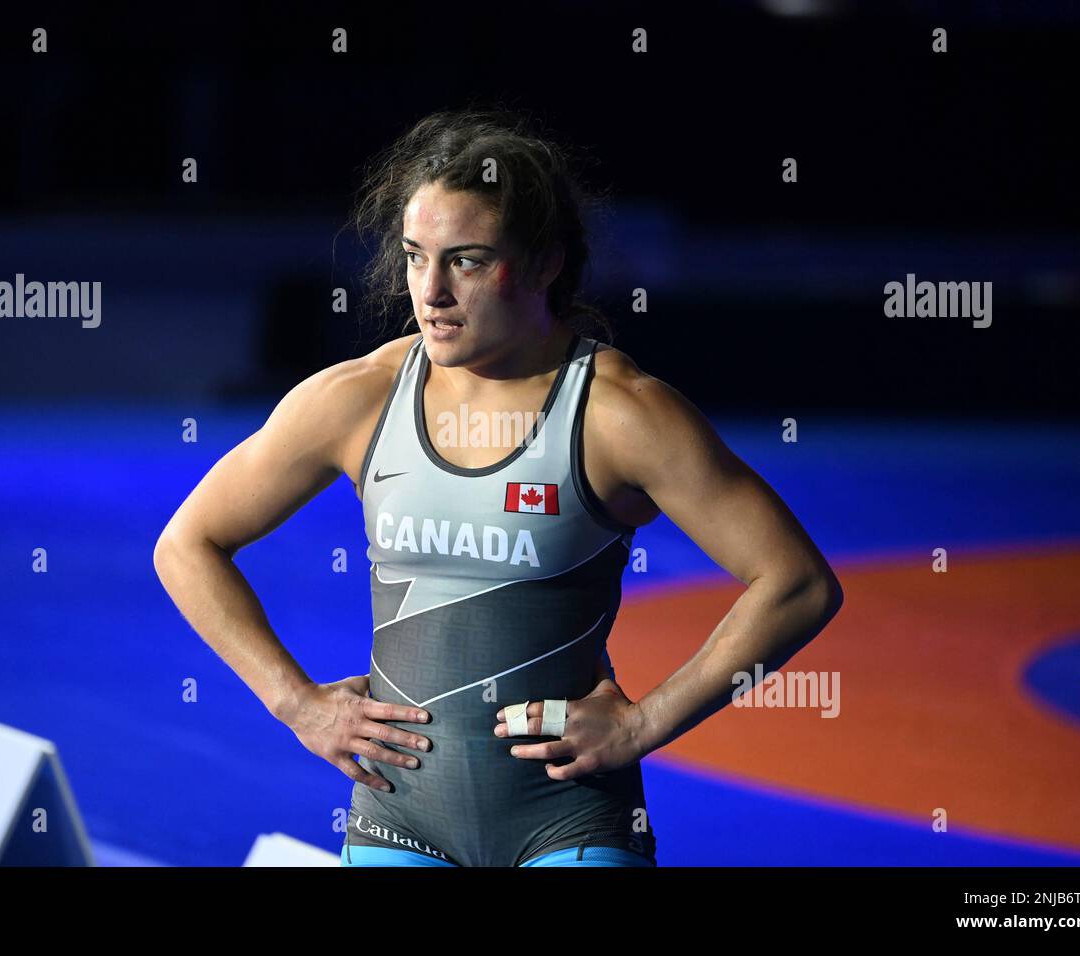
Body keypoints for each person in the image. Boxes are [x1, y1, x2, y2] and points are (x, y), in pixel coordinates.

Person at [153, 108, 843, 867]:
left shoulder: (619, 416)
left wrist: (644, 725)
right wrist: (295, 704)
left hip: (568, 820)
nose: (433, 291)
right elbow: (187, 544)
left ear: (546, 262)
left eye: (469, 260)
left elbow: (797, 583)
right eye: (417, 257)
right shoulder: (358, 398)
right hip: (395, 819)